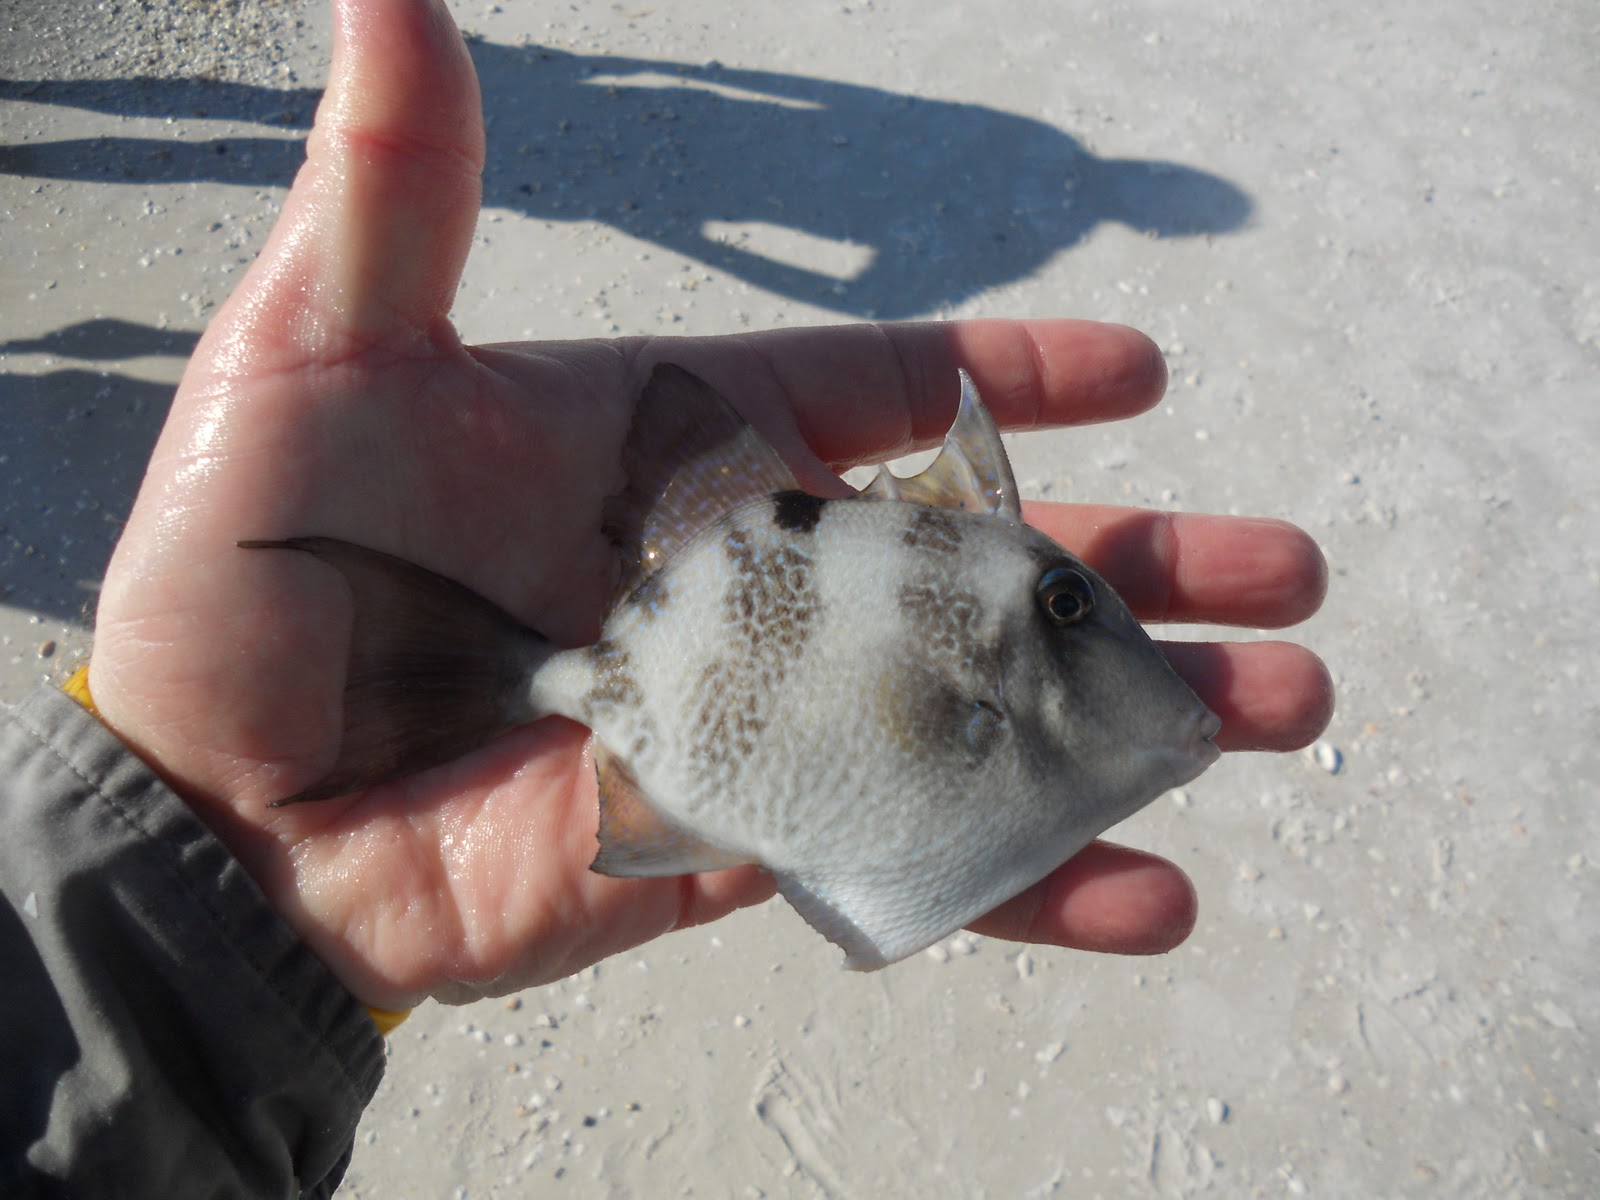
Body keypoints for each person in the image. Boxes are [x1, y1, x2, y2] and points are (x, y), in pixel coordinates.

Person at [0, 0, 1332, 1194]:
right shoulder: (1000, 650)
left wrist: (173, 845)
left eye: (1070, 608)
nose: (1089, 624)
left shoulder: (1009, 662)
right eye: (1068, 608)